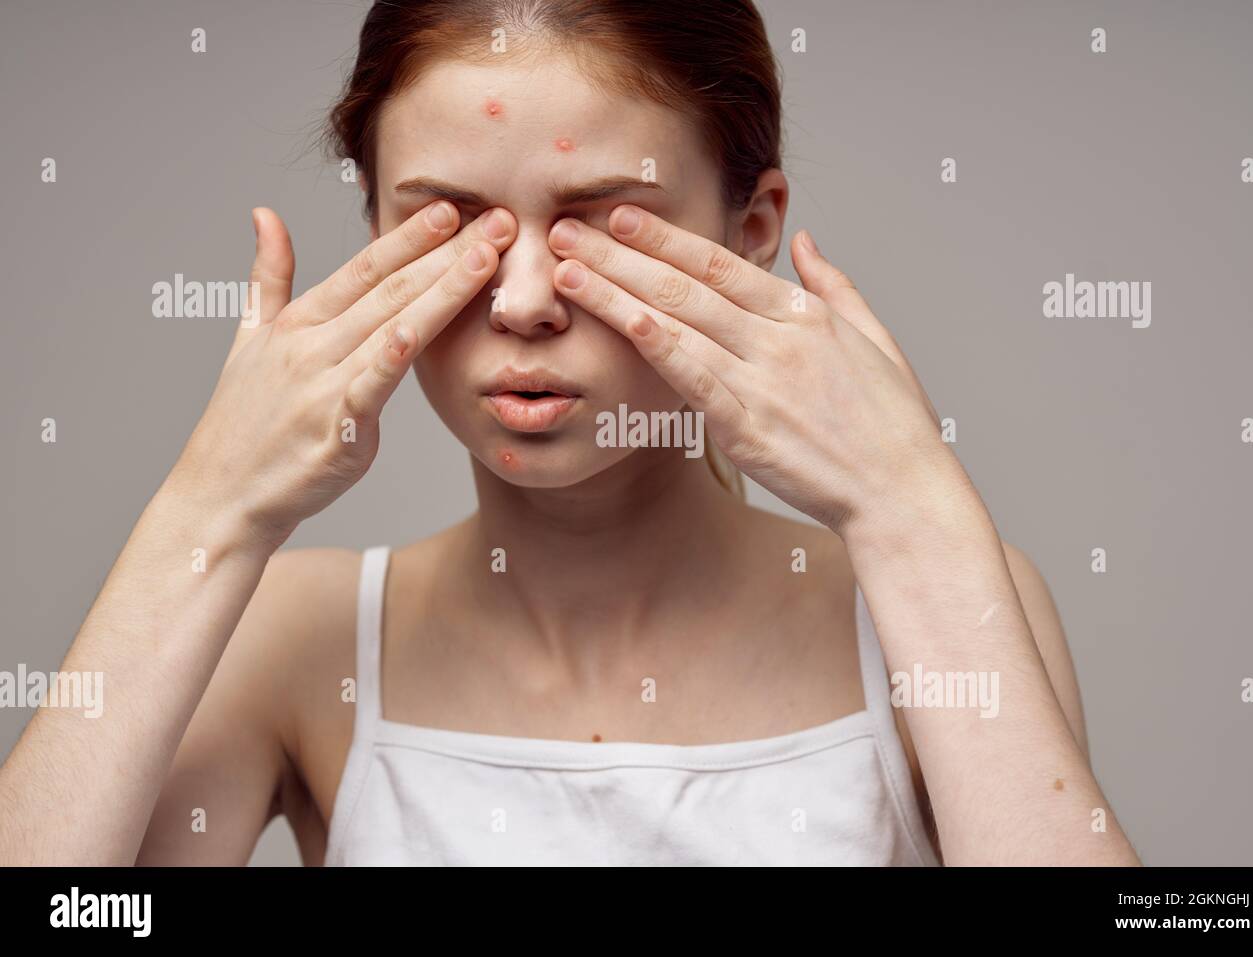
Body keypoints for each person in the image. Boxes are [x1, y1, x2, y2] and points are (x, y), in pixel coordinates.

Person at [0, 0, 1139, 866]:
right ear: (372, 232)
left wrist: (910, 509)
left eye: (599, 220)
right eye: (448, 223)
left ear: (751, 229)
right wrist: (204, 510)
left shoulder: (930, 601)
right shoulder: (293, 640)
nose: (523, 297)